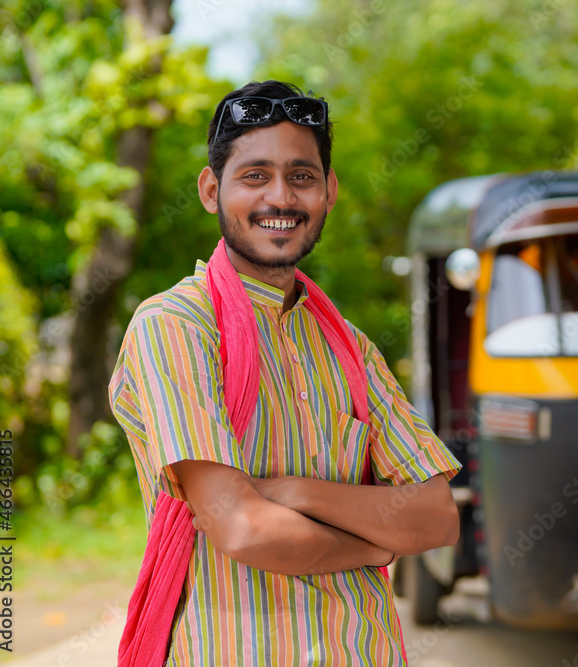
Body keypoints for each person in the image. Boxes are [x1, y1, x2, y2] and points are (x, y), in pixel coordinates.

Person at [109, 80, 462, 666]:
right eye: (254, 175)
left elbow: (435, 517)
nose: (281, 197)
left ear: (329, 192)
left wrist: (294, 493)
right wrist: (374, 548)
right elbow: (241, 528)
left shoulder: (350, 348)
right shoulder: (176, 326)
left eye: (302, 176)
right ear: (210, 188)